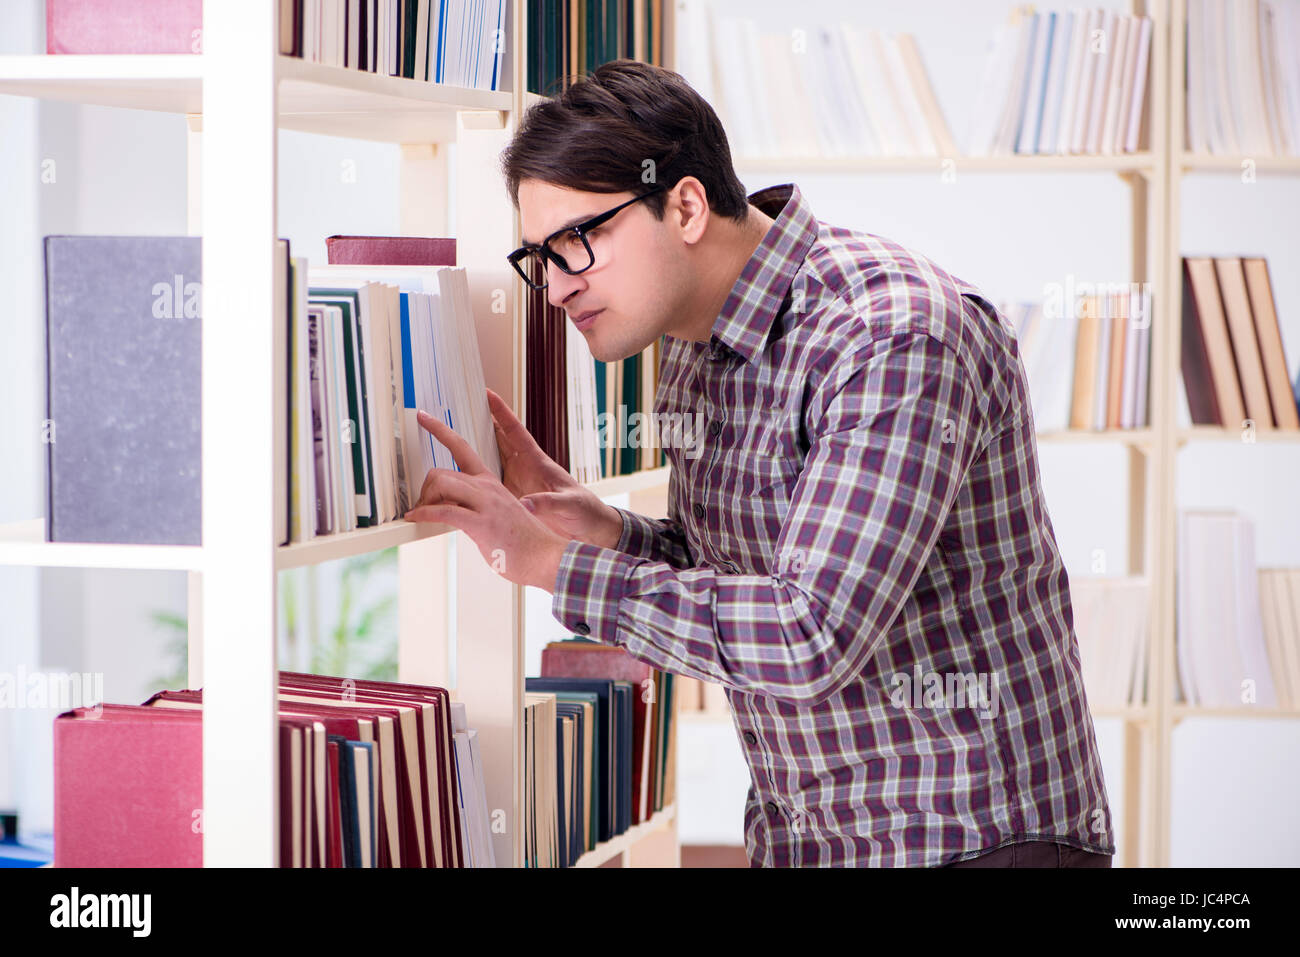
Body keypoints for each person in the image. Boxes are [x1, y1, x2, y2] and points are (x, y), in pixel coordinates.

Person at [404, 59, 1115, 868]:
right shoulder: (695, 346)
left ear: (686, 205)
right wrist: (603, 530)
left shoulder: (892, 337)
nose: (558, 288)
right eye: (539, 256)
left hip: (972, 840)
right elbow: (743, 572)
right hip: (814, 840)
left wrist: (554, 566)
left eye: (579, 242)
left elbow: (809, 630)